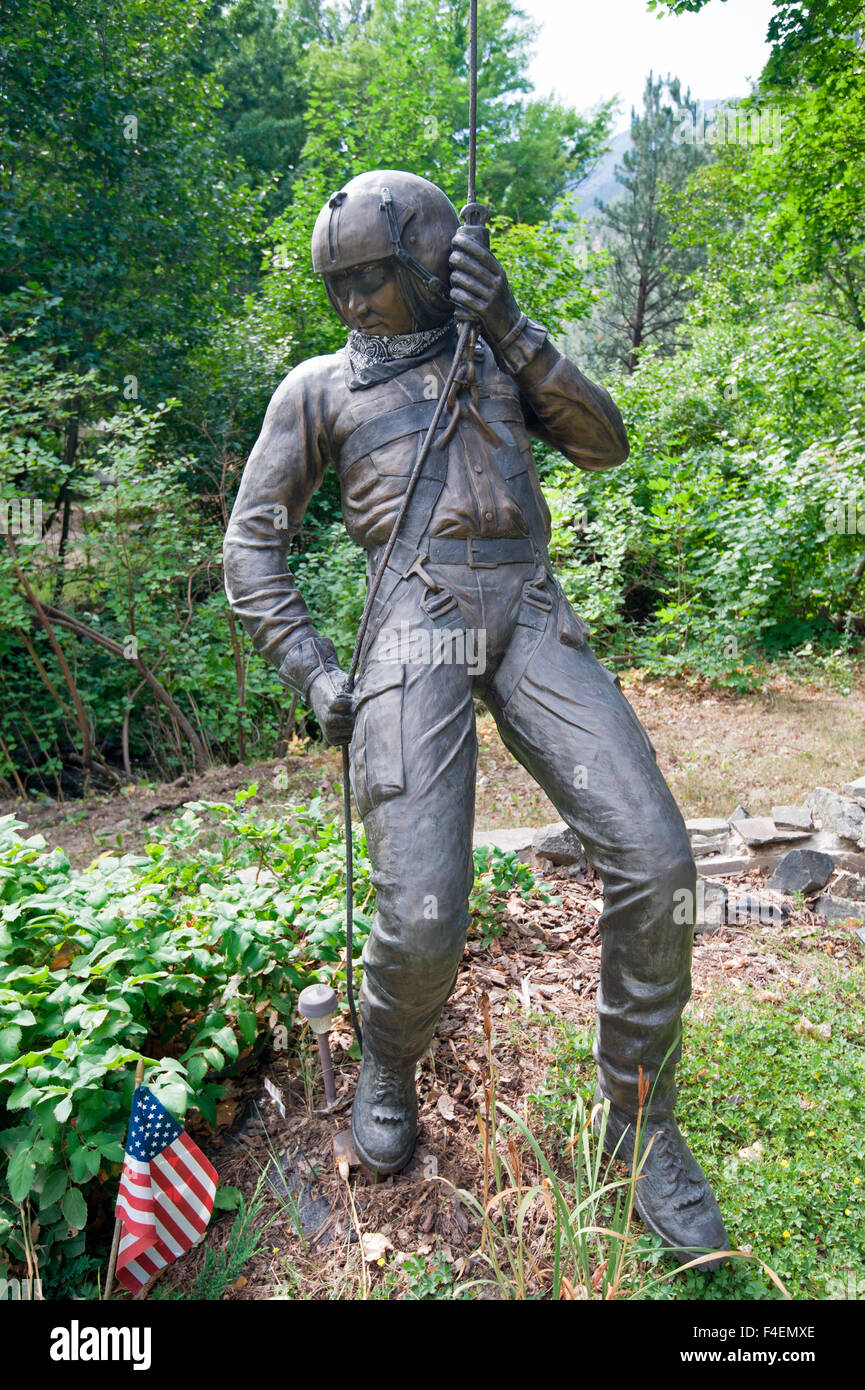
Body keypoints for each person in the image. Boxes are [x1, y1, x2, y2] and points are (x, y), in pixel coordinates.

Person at [222, 169, 730, 1268]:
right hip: (417, 614)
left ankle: (639, 1120)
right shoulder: (315, 390)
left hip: (532, 607)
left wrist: (506, 319)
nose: (354, 304)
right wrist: (311, 669)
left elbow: (604, 441)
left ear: (426, 265)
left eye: (373, 280)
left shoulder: (493, 345)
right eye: (339, 286)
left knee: (656, 855)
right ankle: (389, 1056)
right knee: (421, 913)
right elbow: (250, 546)